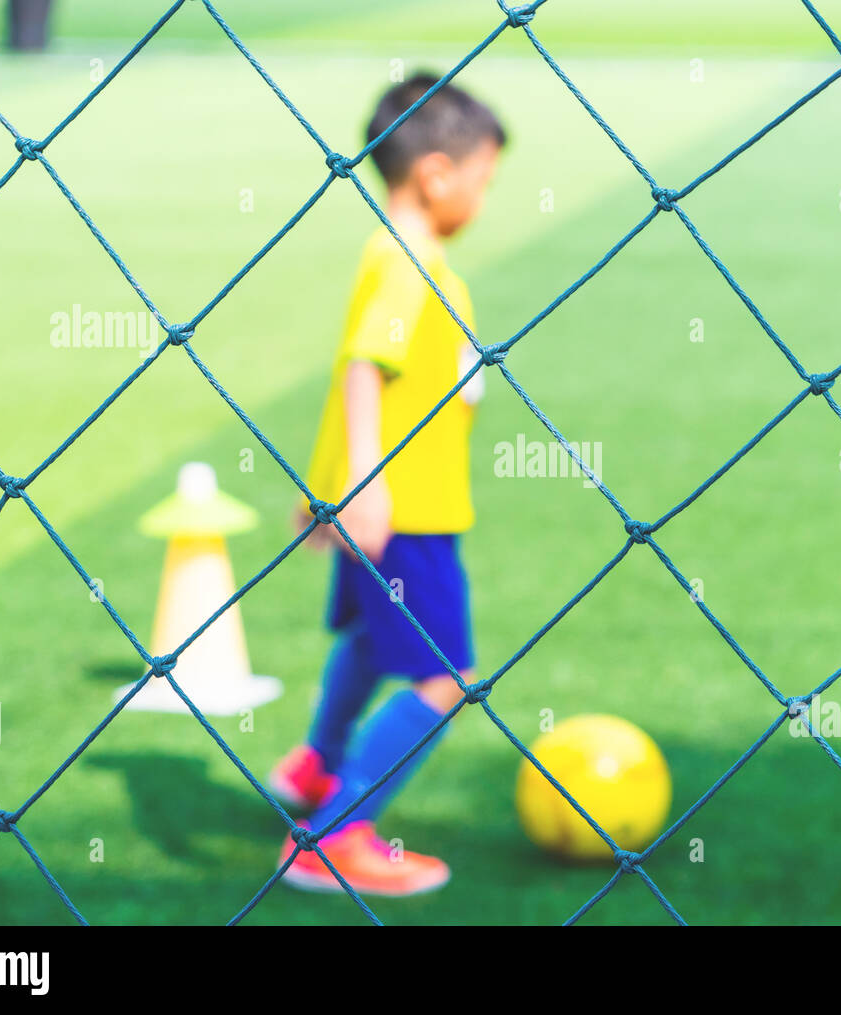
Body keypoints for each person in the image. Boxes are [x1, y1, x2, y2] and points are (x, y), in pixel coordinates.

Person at [271, 73, 504, 896]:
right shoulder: (412, 261)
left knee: (371, 643)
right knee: (446, 675)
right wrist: (365, 482)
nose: (485, 197)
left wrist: (328, 484)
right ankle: (335, 834)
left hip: (384, 505)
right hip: (407, 512)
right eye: (484, 179)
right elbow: (366, 367)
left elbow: (354, 373)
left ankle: (314, 770)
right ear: (436, 173)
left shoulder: (394, 255)